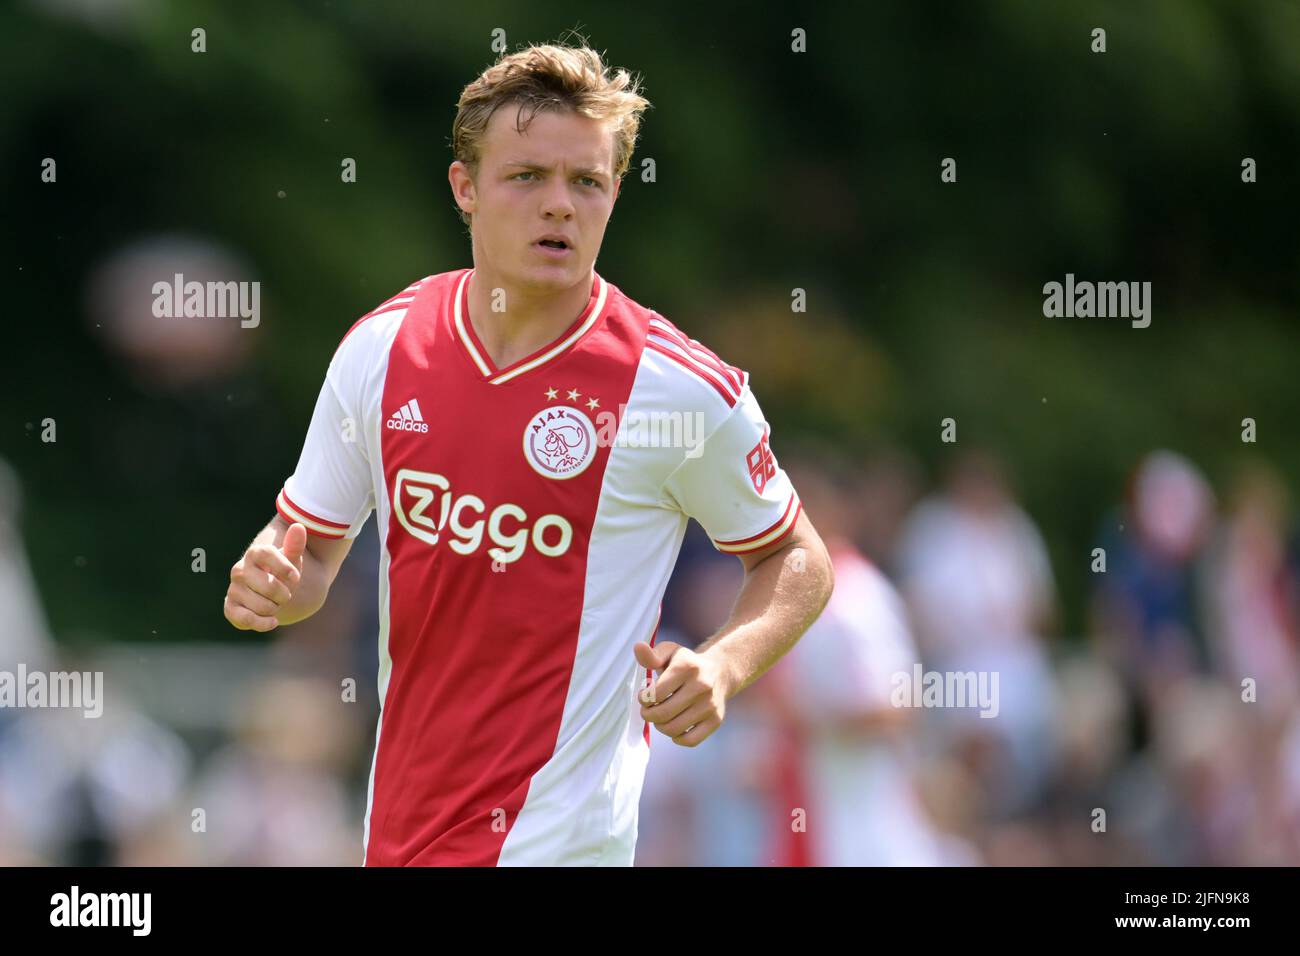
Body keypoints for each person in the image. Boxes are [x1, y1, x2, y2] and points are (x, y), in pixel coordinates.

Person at [221, 42, 833, 866]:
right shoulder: (382, 347)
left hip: (562, 843)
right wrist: (273, 581)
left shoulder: (676, 390)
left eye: (586, 182)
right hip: (400, 835)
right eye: (526, 178)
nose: (560, 206)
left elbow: (797, 556)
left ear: (615, 193)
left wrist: (722, 666)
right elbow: (312, 556)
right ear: (465, 189)